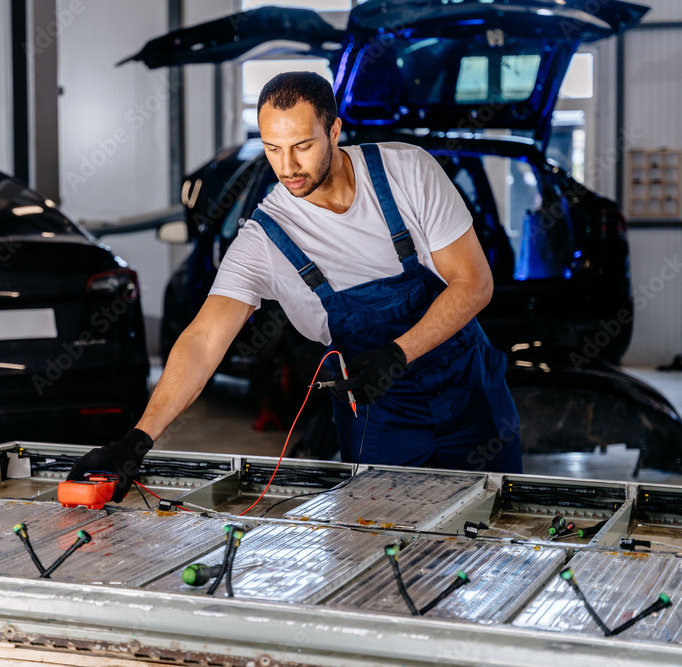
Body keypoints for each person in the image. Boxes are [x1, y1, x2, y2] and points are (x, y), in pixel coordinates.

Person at [69, 71, 522, 502]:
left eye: (302, 146)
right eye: (272, 148)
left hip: (473, 396)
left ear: (334, 130)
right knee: (388, 539)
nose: (287, 167)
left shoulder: (407, 172)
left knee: (498, 531)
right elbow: (204, 340)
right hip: (380, 416)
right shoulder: (265, 238)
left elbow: (474, 284)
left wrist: (399, 353)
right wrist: (137, 440)